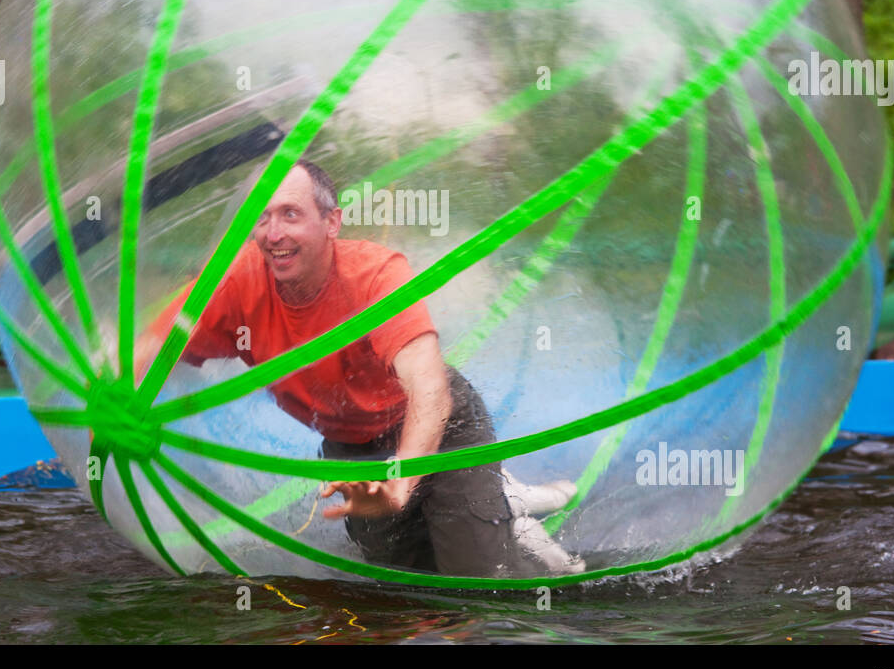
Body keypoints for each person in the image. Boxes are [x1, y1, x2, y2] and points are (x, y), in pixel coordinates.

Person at [136, 160, 581, 578]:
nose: (272, 233)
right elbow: (153, 348)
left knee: (475, 579)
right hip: (353, 446)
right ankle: (496, 506)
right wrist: (114, 410)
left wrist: (401, 486)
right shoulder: (235, 283)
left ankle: (502, 519)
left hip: (442, 428)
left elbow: (430, 391)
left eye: (290, 214)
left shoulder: (376, 277)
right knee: (405, 581)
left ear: (331, 222)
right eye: (262, 217)